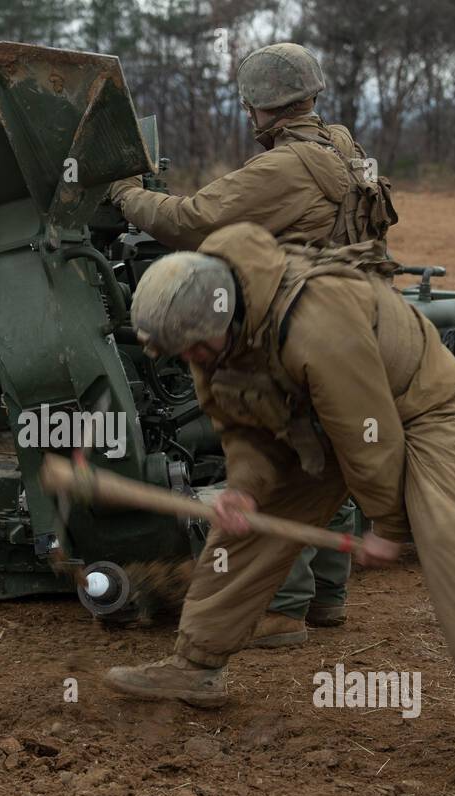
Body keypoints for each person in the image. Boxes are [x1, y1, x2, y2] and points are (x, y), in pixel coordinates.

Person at [103, 223, 455, 773]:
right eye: (183, 351)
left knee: (447, 534)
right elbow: (243, 430)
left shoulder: (316, 320)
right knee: (244, 528)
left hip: (408, 407)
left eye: (194, 348)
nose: (192, 358)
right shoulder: (207, 337)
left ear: (225, 318)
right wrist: (243, 489)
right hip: (315, 420)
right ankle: (197, 666)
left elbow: (368, 433)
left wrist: (391, 527)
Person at [108, 43, 397, 646]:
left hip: (299, 331)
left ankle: (283, 610)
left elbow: (191, 218)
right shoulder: (344, 148)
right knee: (328, 456)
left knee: (285, 460)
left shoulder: (283, 169)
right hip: (355, 325)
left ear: (258, 106)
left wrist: (124, 194)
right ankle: (328, 599)